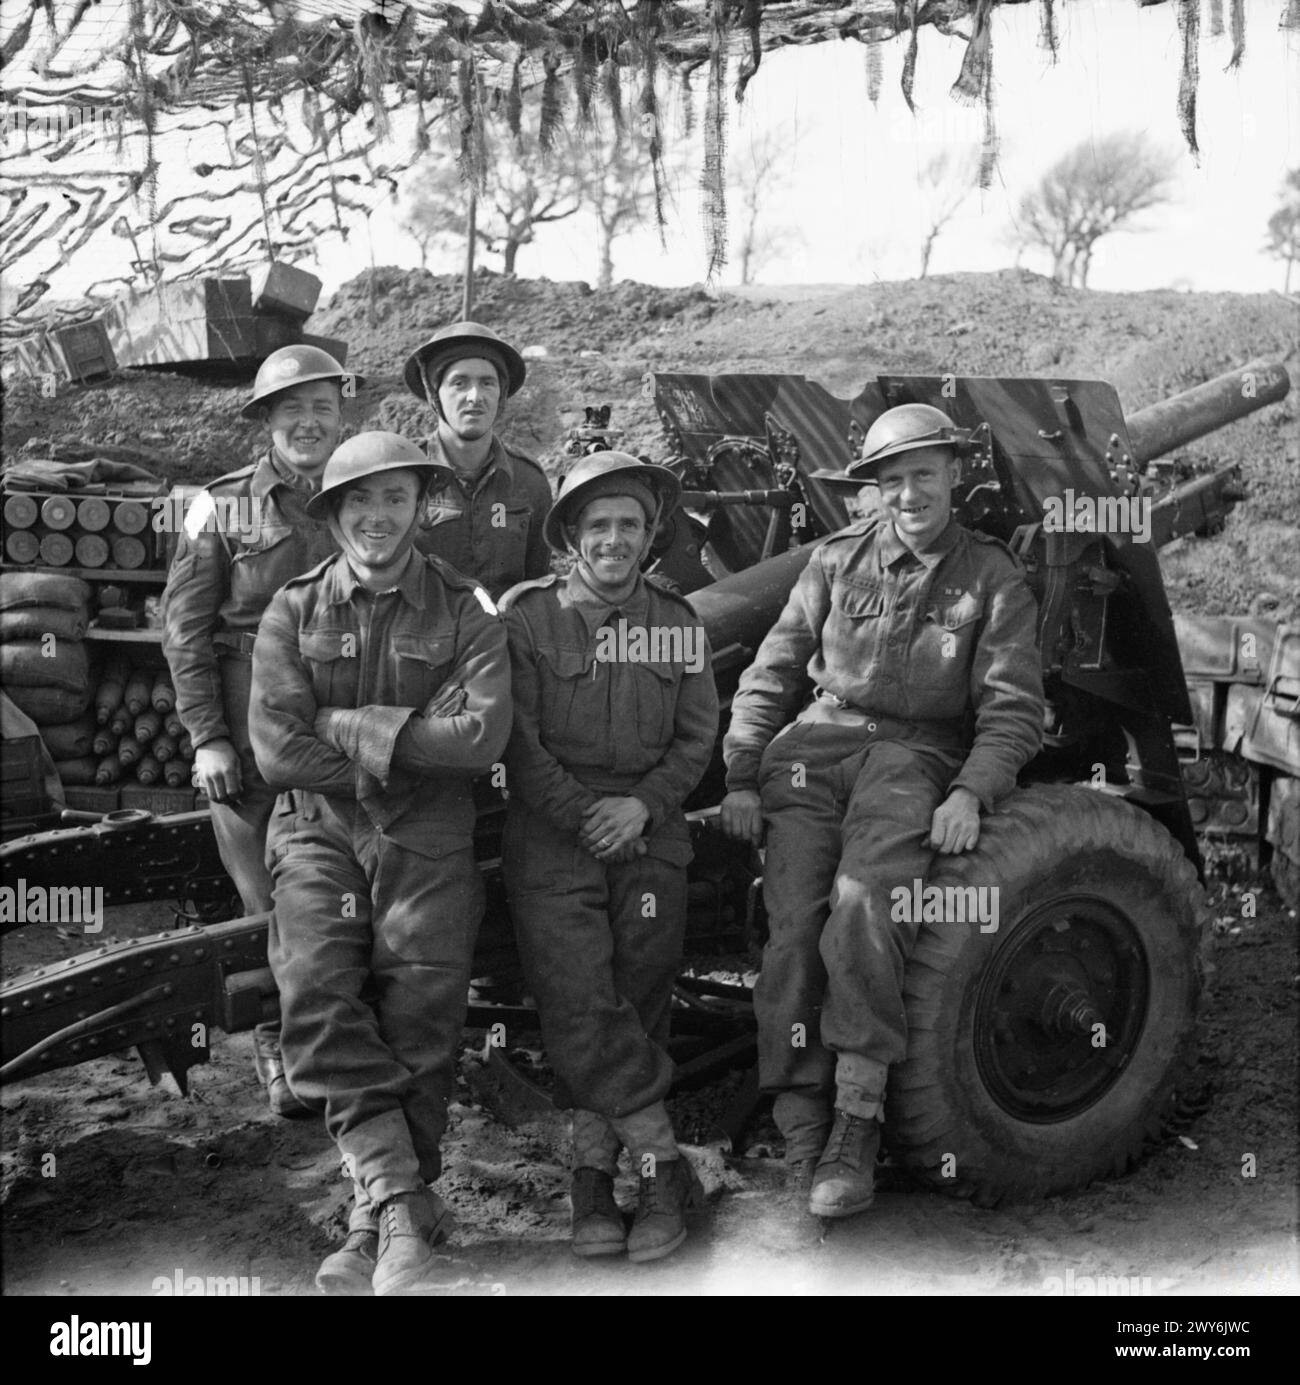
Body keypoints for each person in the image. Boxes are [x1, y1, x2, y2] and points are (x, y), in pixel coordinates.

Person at [719, 403, 1045, 1218]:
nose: (909, 494)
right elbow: (772, 671)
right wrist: (742, 774)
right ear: (872, 491)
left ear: (953, 476)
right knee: (792, 926)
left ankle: (855, 1122)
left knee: (864, 907)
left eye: (924, 474)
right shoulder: (834, 563)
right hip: (814, 749)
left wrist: (973, 789)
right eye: (891, 480)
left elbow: (1013, 706)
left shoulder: (992, 576)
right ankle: (802, 1122)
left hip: (911, 757)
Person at [248, 431, 510, 1296]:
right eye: (358, 500)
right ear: (332, 513)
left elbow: (481, 737)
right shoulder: (292, 608)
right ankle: (400, 1202)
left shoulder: (466, 606)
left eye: (394, 497)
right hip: (319, 827)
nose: (376, 515)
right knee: (318, 989)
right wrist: (393, 748)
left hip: (428, 829)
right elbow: (278, 751)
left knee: (424, 1007)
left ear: (419, 505)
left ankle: (379, 1217)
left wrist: (352, 727)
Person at [500, 450, 719, 1263]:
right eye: (600, 525)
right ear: (570, 536)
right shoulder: (528, 621)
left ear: (650, 534)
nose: (616, 539)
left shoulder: (678, 621)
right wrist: (585, 811)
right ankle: (647, 1171)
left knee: (641, 999)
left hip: (650, 833)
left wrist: (643, 807)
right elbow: (516, 742)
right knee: (580, 1002)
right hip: (555, 837)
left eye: (630, 524)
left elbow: (698, 735)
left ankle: (601, 1181)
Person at [161, 343, 360, 1118]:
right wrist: (206, 736)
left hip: (338, 723)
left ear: (341, 416)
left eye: (322, 408)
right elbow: (184, 630)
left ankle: (342, 1039)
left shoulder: (362, 495)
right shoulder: (223, 503)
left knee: (340, 892)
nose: (308, 423)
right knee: (264, 905)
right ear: (267, 421)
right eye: (292, 410)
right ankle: (277, 1044)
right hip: (247, 730)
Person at [403, 321, 552, 598]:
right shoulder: (406, 472)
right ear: (435, 394)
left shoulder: (528, 482)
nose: (475, 397)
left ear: (501, 394)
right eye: (459, 383)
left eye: (487, 383)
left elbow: (537, 590)